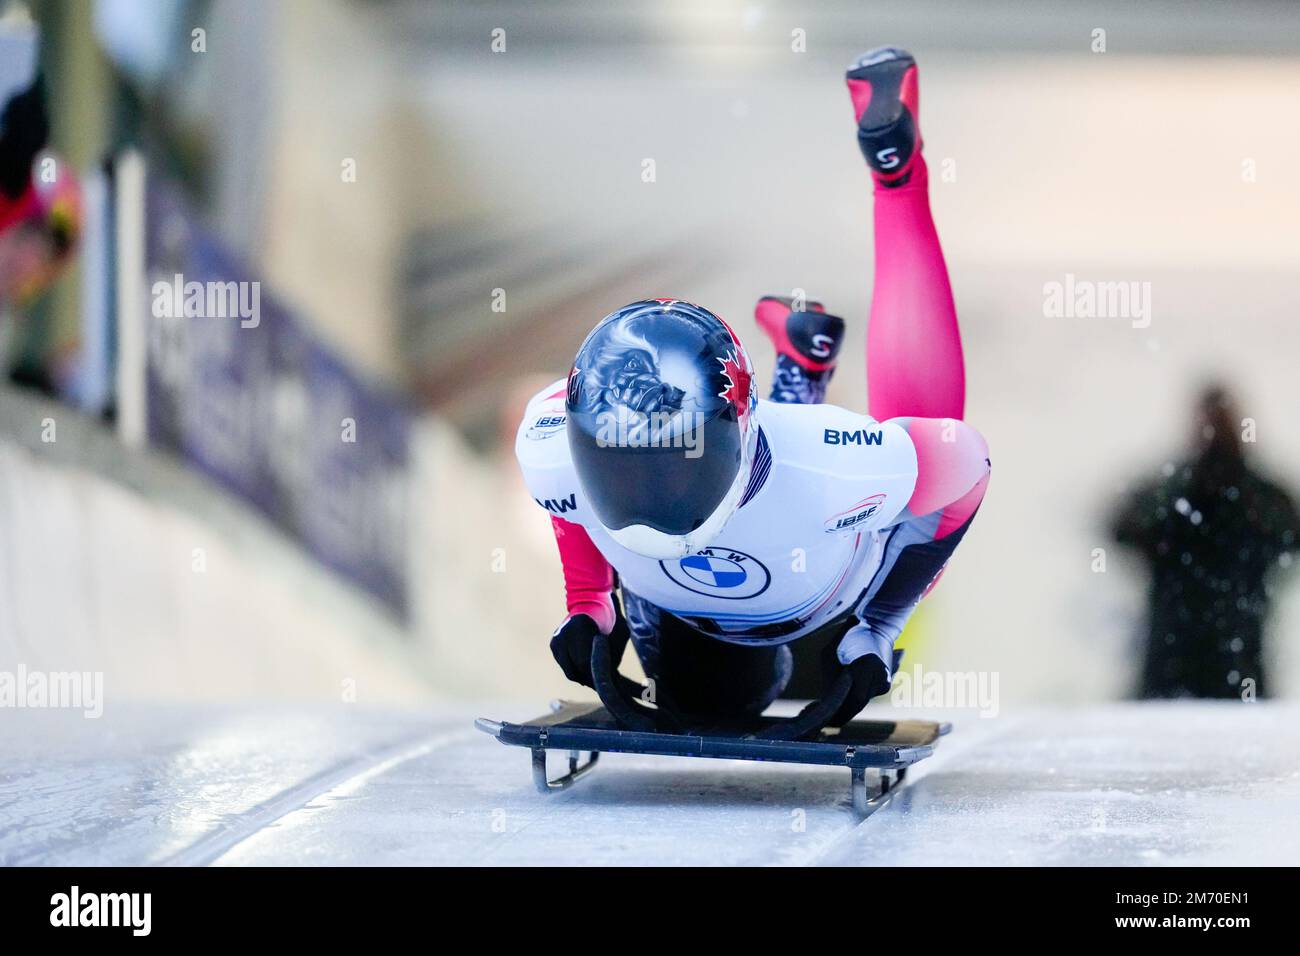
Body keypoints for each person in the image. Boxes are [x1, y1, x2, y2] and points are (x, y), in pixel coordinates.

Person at [516, 47, 989, 734]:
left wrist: (590, 601)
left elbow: (963, 462)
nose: (653, 503)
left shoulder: (829, 467)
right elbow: (962, 465)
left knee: (714, 698)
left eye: (673, 467)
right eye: (624, 467)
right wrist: (877, 630)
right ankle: (890, 191)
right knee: (918, 442)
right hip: (799, 570)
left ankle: (893, 193)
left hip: (750, 589)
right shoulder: (554, 442)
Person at [1112, 384, 1299, 699]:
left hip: (1215, 664)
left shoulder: (1179, 492)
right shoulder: (1252, 495)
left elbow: (1124, 528)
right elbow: (1122, 529)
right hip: (1203, 664)